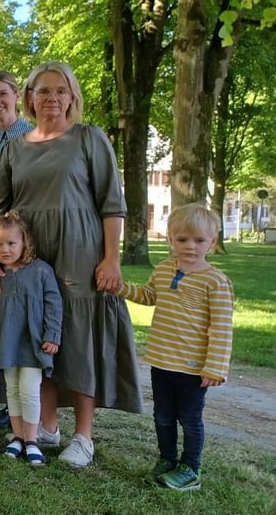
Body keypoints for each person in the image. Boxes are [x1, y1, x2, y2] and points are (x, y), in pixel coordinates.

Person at [0, 61, 142, 468]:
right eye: (43, 91)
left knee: (80, 336)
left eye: (60, 91)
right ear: (29, 98)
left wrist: (111, 258)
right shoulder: (14, 148)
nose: (52, 98)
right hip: (29, 254)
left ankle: (83, 436)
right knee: (37, 333)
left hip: (80, 250)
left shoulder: (90, 138)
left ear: (72, 97)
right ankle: (45, 426)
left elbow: (112, 204)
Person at [111, 204, 234, 490]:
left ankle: (190, 468)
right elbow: (148, 295)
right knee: (163, 415)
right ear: (170, 239)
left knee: (189, 418)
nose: (190, 246)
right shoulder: (165, 269)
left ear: (212, 242)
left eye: (199, 240)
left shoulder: (216, 282)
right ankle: (167, 459)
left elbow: (222, 327)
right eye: (182, 239)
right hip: (162, 361)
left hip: (193, 367)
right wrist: (119, 288)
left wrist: (214, 367)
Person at [0, 212, 62, 466]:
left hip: (33, 344)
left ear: (24, 241)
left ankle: (32, 440)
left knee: (30, 391)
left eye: (11, 243)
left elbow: (54, 305)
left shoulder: (41, 271)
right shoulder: (0, 275)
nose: (5, 250)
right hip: (7, 343)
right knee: (12, 391)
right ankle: (18, 437)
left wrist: (52, 335)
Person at [0, 71, 36, 428]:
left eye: (2, 94)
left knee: (22, 324)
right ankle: (7, 403)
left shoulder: (33, 137)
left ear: (16, 95)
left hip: (24, 247)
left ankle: (32, 407)